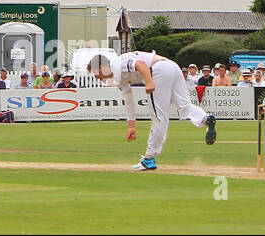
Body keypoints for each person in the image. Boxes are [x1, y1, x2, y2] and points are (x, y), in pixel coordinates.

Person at [88, 50, 216, 171]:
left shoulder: (118, 64)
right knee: (185, 105)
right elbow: (129, 101)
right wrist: (131, 127)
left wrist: (149, 82)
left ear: (101, 67)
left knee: (158, 116)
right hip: (172, 67)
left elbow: (140, 64)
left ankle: (149, 159)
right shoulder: (118, 78)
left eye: (95, 72)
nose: (96, 77)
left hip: (158, 70)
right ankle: (205, 118)